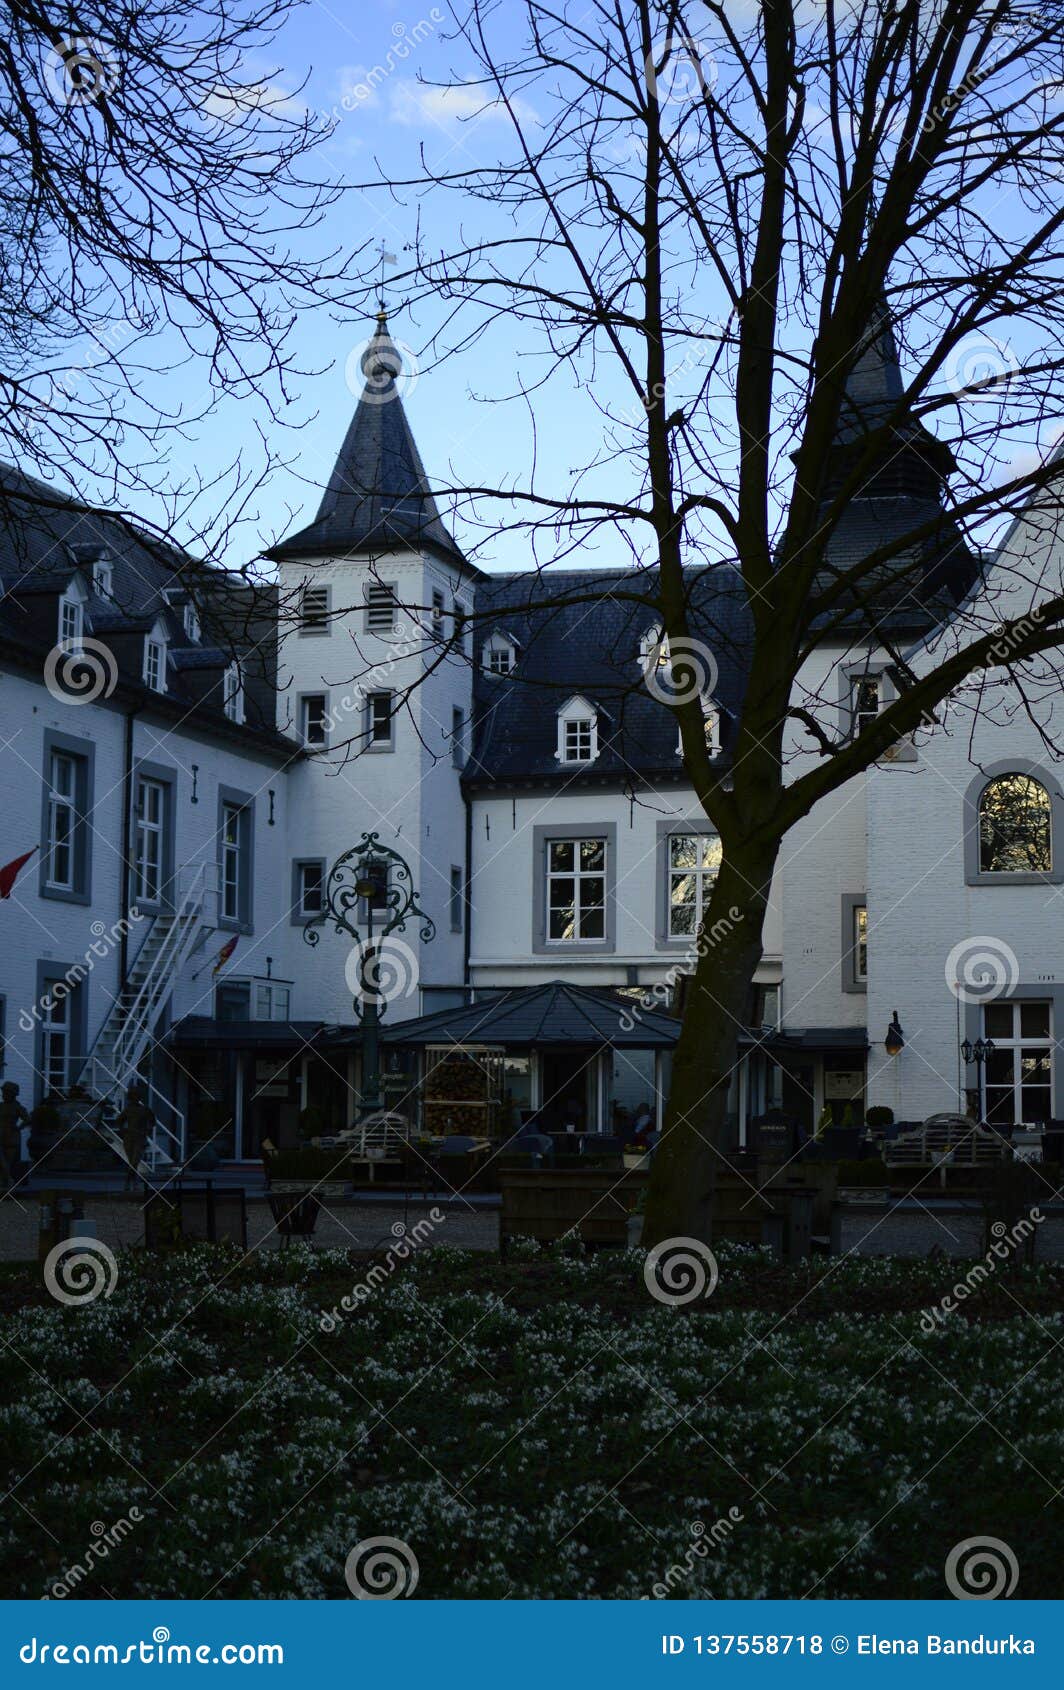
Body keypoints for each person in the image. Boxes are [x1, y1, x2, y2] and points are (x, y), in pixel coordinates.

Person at [113, 1082, 154, 1189]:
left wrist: (147, 1130)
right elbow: (119, 1121)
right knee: (132, 1162)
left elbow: (152, 1122)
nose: (135, 1098)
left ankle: (128, 1183)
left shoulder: (145, 1109)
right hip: (129, 1138)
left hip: (140, 1137)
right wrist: (123, 1130)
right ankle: (134, 1183)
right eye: (133, 1096)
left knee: (135, 1161)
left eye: (137, 1095)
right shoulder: (128, 1110)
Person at [0, 1081, 28, 1194]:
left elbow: (27, 1119)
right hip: (0, 1135)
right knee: (2, 1160)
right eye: (3, 1092)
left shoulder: (18, 1107)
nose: (3, 1094)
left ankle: (5, 1180)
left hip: (12, 1137)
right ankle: (8, 1179)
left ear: (13, 1094)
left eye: (5, 1092)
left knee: (8, 1161)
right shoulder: (0, 1106)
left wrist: (19, 1128)